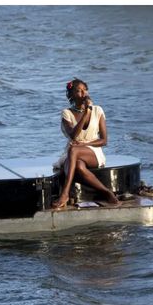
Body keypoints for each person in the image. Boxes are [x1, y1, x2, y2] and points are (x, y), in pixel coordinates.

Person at [52, 78, 119, 209]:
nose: (83, 94)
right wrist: (86, 113)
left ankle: (65, 193)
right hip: (72, 153)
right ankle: (106, 192)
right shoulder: (67, 113)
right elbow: (73, 135)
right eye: (79, 91)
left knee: (74, 149)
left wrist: (81, 145)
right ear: (71, 95)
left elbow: (104, 140)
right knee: (78, 166)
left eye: (85, 90)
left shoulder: (98, 110)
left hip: (92, 151)